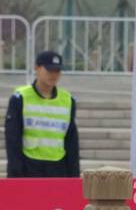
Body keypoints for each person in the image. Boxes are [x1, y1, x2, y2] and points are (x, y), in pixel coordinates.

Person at [5, 50, 81, 178]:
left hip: (58, 168)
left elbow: (71, 141)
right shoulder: (20, 97)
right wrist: (15, 173)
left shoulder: (67, 100)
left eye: (57, 71)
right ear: (37, 68)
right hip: (29, 167)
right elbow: (13, 138)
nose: (53, 75)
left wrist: (74, 175)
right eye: (49, 70)